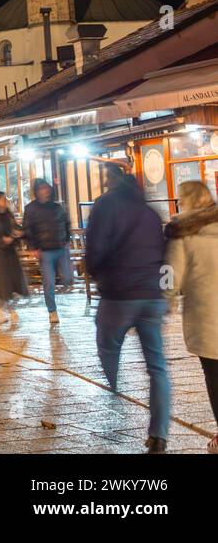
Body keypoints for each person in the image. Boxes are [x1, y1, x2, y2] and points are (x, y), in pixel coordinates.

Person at [85, 162, 170, 454]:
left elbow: (94, 248)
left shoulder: (104, 206)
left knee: (108, 343)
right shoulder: (149, 212)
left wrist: (96, 274)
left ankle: (113, 389)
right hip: (152, 295)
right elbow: (162, 251)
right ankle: (159, 435)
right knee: (157, 366)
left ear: (110, 183)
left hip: (119, 293)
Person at [165, 180, 218, 454]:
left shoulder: (181, 232)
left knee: (215, 376)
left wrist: (162, 301)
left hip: (207, 318)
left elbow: (170, 275)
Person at [22, 178, 73, 324]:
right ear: (36, 191)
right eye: (41, 188)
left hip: (61, 247)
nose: (45, 191)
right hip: (45, 250)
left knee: (68, 279)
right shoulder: (31, 209)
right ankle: (52, 311)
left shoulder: (56, 207)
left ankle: (55, 305)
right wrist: (33, 247)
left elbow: (66, 223)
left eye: (46, 188)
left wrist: (67, 240)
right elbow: (27, 229)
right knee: (49, 282)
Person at [0, 191, 28, 323]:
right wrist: (2, 240)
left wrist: (19, 234)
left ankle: (6, 310)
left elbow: (16, 229)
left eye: (5, 199)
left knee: (12, 282)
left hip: (10, 253)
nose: (5, 201)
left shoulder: (9, 215)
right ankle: (5, 311)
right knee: (4, 283)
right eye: (3, 199)